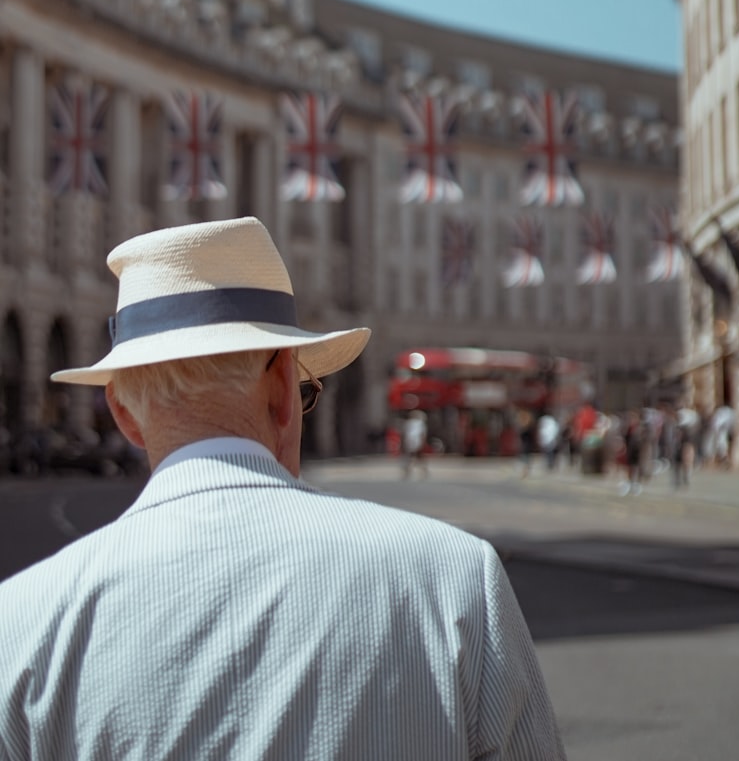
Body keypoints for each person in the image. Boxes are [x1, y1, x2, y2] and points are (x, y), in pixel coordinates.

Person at [0, 217, 565, 761]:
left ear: (122, 412)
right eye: (304, 389)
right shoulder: (456, 579)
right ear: (279, 389)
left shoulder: (21, 623)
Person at [401, 407, 429, 477]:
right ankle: (411, 469)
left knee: (413, 455)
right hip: (415, 440)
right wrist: (423, 442)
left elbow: (405, 433)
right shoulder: (419, 423)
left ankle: (409, 469)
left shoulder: (410, 423)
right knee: (415, 455)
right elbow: (422, 434)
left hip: (411, 440)